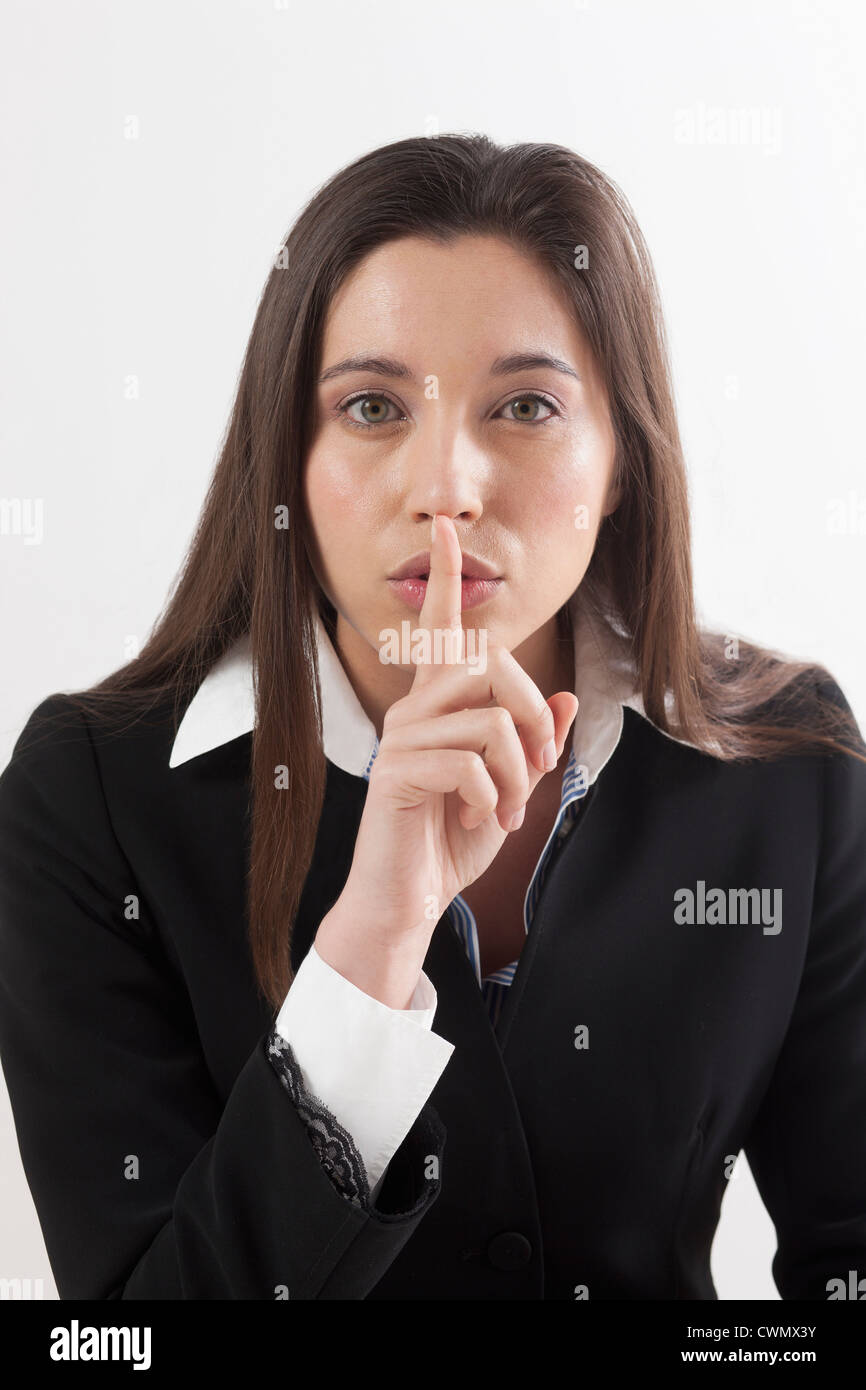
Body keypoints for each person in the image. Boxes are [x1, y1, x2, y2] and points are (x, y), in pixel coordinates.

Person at [1, 133, 864, 1301]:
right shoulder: (90, 797)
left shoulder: (785, 763)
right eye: (369, 406)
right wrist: (369, 947)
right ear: (287, 463)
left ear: (622, 461)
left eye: (523, 405)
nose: (444, 485)